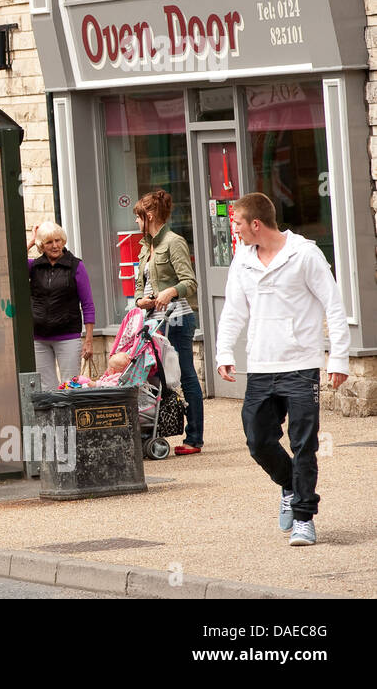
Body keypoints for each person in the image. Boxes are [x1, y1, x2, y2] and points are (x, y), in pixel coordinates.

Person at [216, 192, 349, 547]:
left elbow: (333, 306)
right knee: (258, 441)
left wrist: (338, 358)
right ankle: (290, 486)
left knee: (303, 444)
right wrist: (224, 351)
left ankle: (304, 518)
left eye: (238, 223)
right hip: (261, 366)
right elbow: (233, 310)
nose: (236, 229)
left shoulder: (304, 254)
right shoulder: (242, 261)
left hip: (302, 365)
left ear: (255, 224)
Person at [131, 190, 201, 453]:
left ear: (149, 216)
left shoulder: (174, 242)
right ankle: (158, 431)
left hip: (177, 319)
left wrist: (170, 291)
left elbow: (189, 283)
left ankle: (194, 437)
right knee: (158, 379)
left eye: (138, 218)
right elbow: (140, 285)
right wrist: (141, 301)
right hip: (152, 322)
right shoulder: (145, 246)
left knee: (184, 375)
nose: (136, 224)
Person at [27, 222, 96, 391]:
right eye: (49, 242)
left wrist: (88, 339)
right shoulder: (34, 266)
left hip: (68, 336)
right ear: (42, 245)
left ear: (63, 241)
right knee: (46, 389)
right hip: (39, 338)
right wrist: (31, 241)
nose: (55, 245)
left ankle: (70, 418)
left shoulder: (76, 266)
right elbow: (11, 262)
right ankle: (52, 419)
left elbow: (87, 304)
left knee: (70, 387)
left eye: (58, 240)